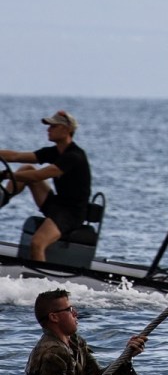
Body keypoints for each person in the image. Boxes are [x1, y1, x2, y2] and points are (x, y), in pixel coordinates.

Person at [24, 289, 146, 375]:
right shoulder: (52, 353)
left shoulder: (75, 343)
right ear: (54, 317)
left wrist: (126, 357)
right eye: (69, 309)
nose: (75, 313)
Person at [0, 110, 92, 262]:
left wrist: (5, 175)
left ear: (66, 130)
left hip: (71, 213)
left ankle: (41, 281)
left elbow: (39, 176)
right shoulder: (55, 151)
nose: (48, 130)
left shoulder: (74, 156)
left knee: (37, 243)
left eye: (53, 127)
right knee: (27, 168)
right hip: (57, 203)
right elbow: (16, 156)